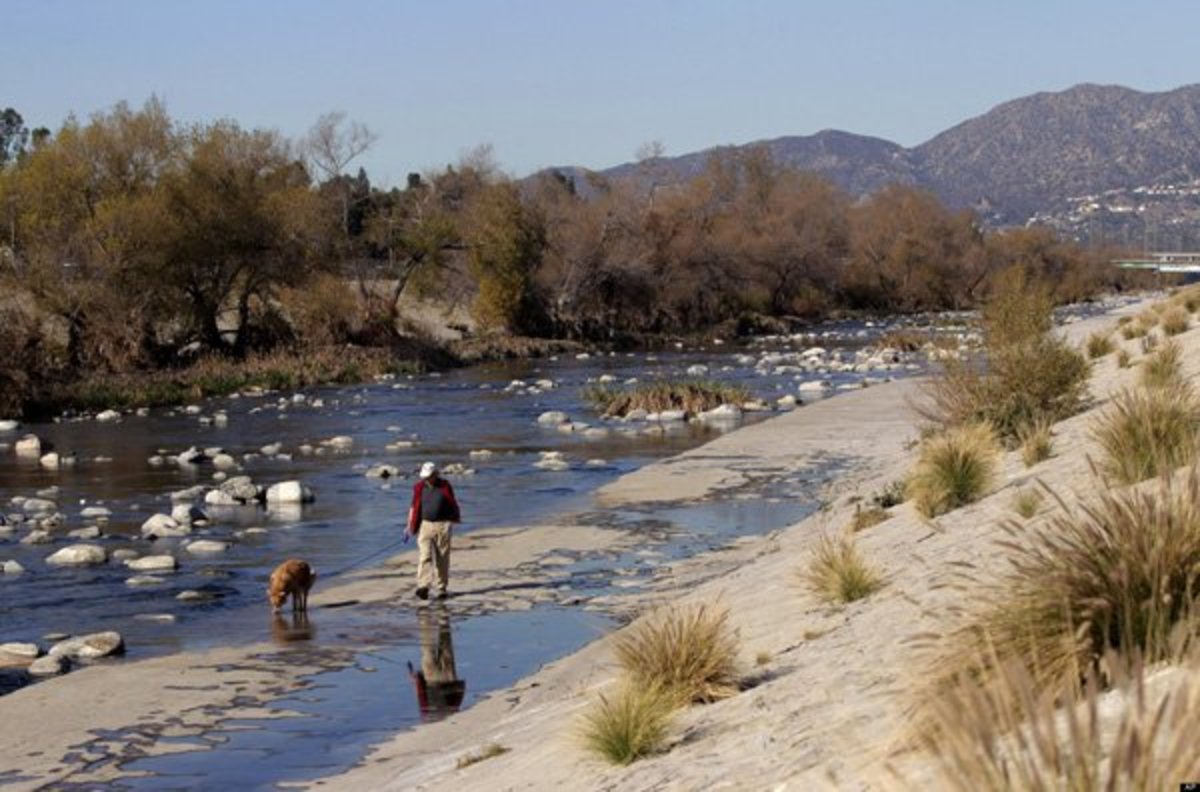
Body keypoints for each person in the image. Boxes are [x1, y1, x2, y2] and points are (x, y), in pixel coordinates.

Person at [406, 461, 461, 600]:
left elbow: (452, 503)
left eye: (428, 476)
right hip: (424, 525)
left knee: (442, 558)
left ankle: (441, 588)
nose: (426, 479)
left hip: (443, 525)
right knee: (425, 556)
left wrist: (453, 519)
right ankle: (423, 586)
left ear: (435, 474)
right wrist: (408, 526)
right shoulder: (419, 487)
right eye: (424, 476)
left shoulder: (445, 486)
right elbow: (413, 507)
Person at [407, 604, 466, 719]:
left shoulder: (451, 712)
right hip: (432, 680)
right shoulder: (426, 713)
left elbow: (457, 699)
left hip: (449, 680)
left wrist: (461, 686)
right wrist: (417, 678)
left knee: (446, 645)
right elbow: (421, 694)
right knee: (427, 646)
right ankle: (425, 617)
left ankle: (443, 617)